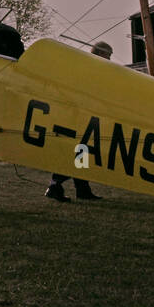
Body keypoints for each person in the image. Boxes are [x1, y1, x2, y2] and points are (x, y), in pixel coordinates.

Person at [45, 41, 113, 202]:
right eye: (108, 55)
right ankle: (55, 185)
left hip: (80, 117)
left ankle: (82, 189)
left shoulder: (85, 66)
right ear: (101, 53)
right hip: (76, 118)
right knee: (77, 153)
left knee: (82, 153)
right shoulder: (89, 68)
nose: (109, 59)